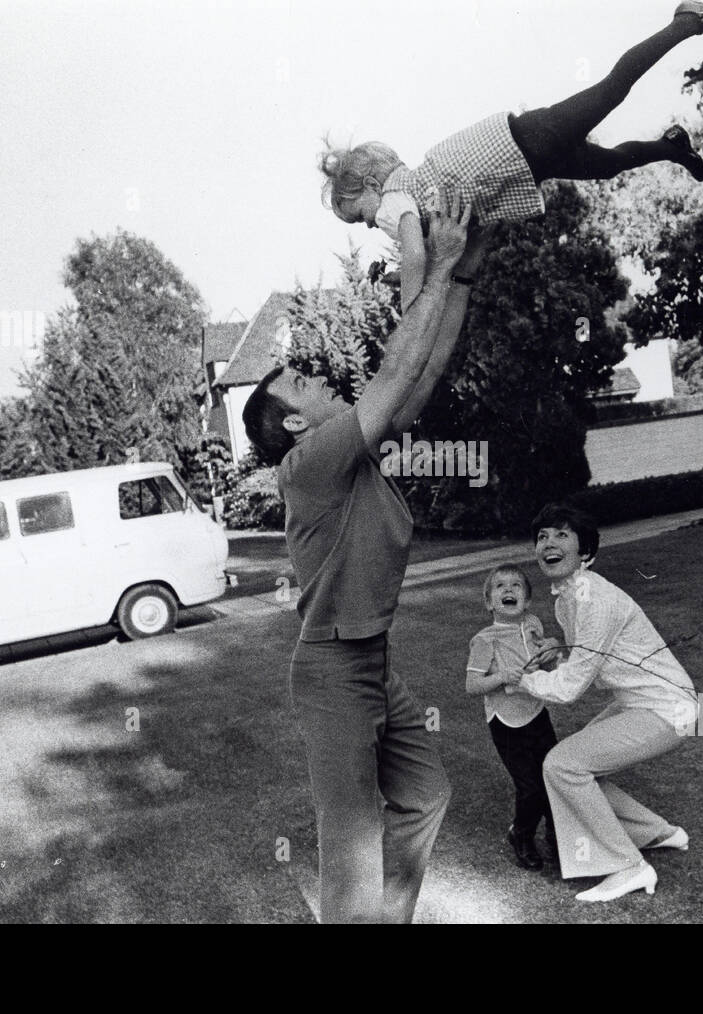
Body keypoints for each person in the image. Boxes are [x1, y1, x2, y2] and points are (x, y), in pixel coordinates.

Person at [241, 189, 495, 923]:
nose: (316, 375)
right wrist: (440, 263)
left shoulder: (350, 456)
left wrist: (460, 275)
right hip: (331, 674)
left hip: (372, 663)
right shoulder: (310, 464)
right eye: (302, 382)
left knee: (425, 794)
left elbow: (419, 372)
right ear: (294, 421)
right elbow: (391, 376)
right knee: (350, 846)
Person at [320, 1, 703, 310]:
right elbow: (433, 251)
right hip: (529, 159)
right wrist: (400, 275)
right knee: (609, 164)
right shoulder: (413, 202)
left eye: (359, 215)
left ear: (372, 187)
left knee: (611, 90)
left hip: (527, 141)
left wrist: (410, 304)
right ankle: (670, 147)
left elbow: (418, 257)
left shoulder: (395, 205)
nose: (368, 226)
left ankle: (687, 21)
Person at [505, 503, 697, 903]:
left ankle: (627, 866)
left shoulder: (594, 598)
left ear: (585, 552)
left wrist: (520, 680)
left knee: (563, 764)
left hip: (666, 708)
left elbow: (573, 686)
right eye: (542, 536)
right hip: (640, 701)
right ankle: (661, 834)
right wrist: (557, 651)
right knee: (574, 764)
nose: (548, 543)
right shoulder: (569, 598)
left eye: (561, 535)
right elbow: (589, 661)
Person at [464, 565, 561, 871]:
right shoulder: (484, 640)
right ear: (490, 603)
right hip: (506, 722)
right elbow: (471, 686)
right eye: (500, 586)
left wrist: (552, 648)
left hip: (536, 713)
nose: (509, 590)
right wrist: (502, 676)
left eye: (517, 585)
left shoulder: (532, 624)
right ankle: (521, 835)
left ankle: (557, 837)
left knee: (552, 776)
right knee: (530, 786)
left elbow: (544, 667)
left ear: (528, 599)